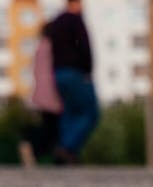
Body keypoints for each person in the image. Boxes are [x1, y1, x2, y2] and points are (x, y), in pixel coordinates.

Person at [44, 0, 98, 165]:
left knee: (69, 113)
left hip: (58, 73)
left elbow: (50, 49)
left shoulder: (57, 22)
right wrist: (88, 71)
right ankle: (67, 148)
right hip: (75, 72)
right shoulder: (75, 20)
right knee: (91, 112)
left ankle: (66, 153)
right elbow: (84, 46)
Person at [19, 27, 63, 167]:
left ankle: (31, 144)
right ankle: (31, 143)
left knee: (48, 126)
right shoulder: (52, 47)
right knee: (52, 128)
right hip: (51, 93)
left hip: (41, 93)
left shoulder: (40, 47)